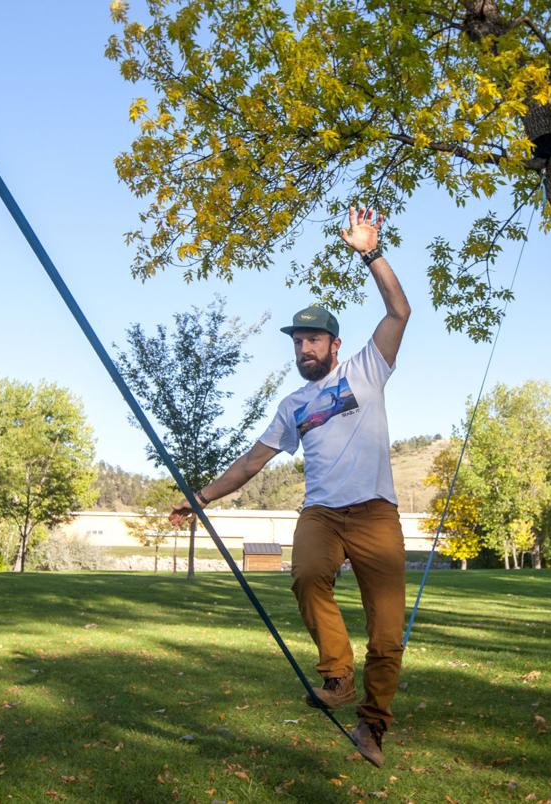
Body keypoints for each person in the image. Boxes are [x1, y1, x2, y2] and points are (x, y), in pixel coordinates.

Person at [169, 206, 410, 767]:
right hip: (322, 513)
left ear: (333, 343)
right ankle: (336, 675)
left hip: (376, 512)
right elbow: (253, 461)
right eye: (297, 342)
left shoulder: (366, 369)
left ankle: (373, 727)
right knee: (304, 575)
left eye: (312, 341)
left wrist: (370, 253)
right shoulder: (293, 405)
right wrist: (199, 496)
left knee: (387, 634)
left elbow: (399, 310)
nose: (303, 350)